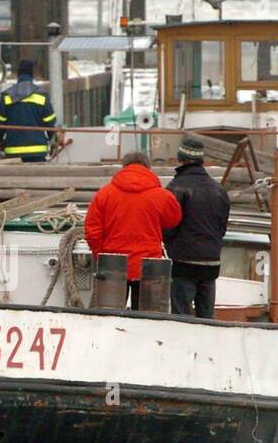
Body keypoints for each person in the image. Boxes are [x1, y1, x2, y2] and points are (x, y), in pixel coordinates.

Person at [84, 152, 181, 310]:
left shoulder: (104, 194)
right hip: (148, 265)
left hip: (113, 264)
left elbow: (92, 231)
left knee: (109, 317)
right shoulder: (161, 196)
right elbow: (173, 220)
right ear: (148, 168)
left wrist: (100, 255)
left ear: (123, 167)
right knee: (146, 319)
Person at [164, 133, 230, 318]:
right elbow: (222, 229)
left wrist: (169, 243)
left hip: (184, 261)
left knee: (181, 316)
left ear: (181, 159)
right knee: (207, 317)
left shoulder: (176, 187)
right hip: (211, 262)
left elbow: (168, 227)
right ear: (201, 160)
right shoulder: (218, 190)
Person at [0, 60, 57, 161]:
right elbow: (50, 123)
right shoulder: (42, 96)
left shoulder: (7, 96)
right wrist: (51, 140)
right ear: (32, 74)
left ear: (18, 74)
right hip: (37, 151)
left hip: (13, 150)